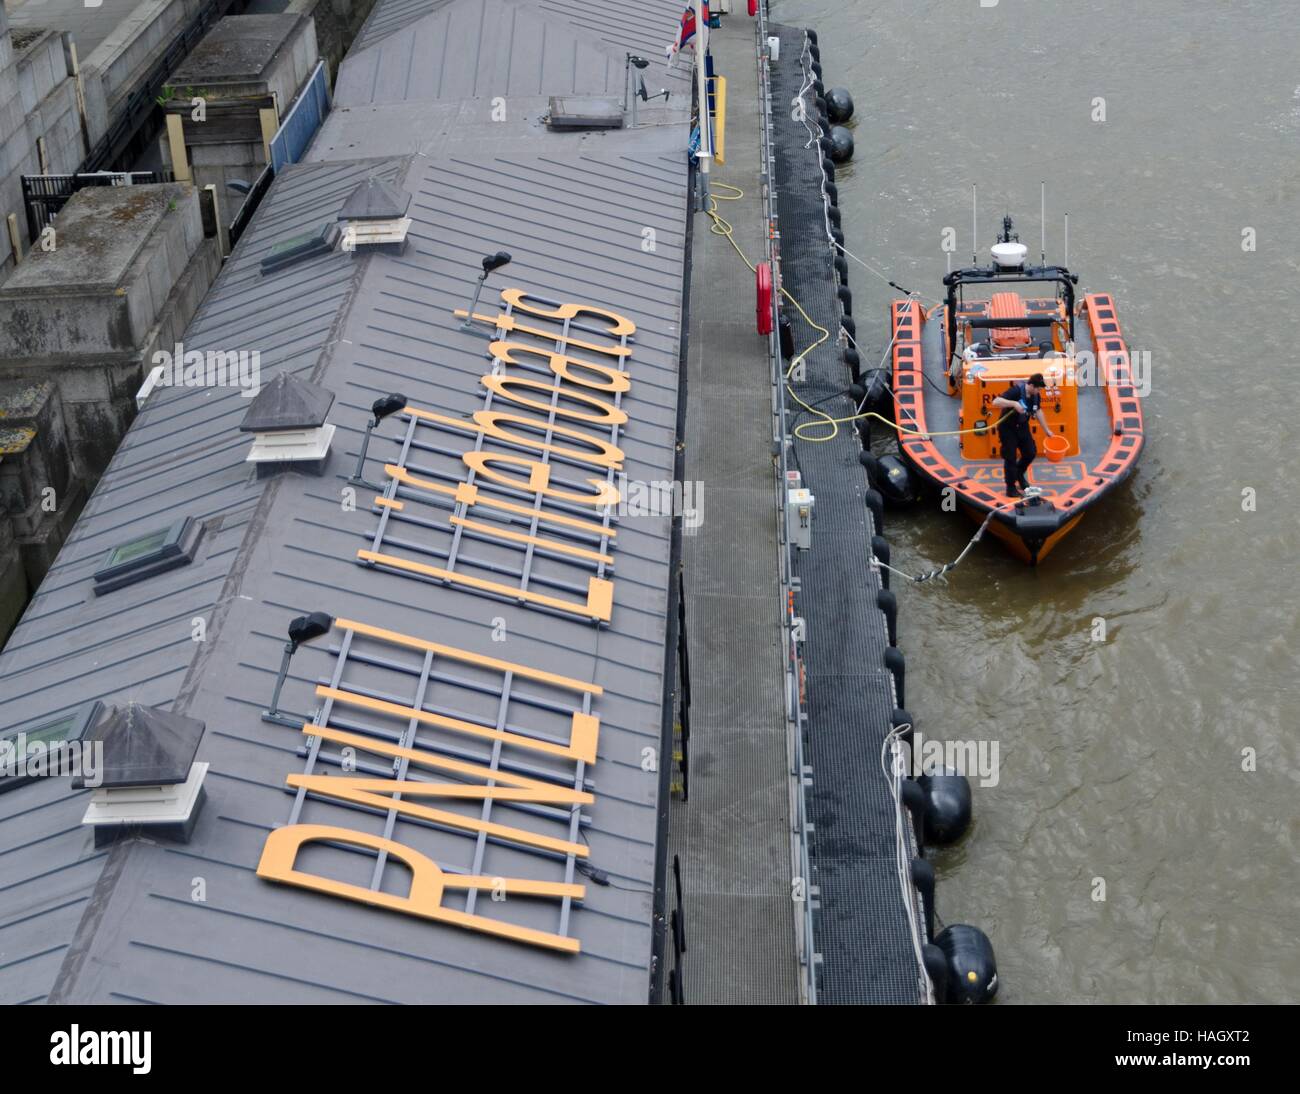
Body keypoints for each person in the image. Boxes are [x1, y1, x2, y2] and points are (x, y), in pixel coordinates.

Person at [990, 372, 1055, 497]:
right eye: (1038, 388)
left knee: (1030, 452)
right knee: (1010, 457)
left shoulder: (1036, 396)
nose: (1039, 391)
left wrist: (1047, 430)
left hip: (1023, 426)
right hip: (1008, 428)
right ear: (1031, 385)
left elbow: (1039, 411)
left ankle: (1019, 474)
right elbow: (996, 402)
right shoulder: (1015, 391)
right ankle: (1010, 487)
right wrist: (1014, 404)